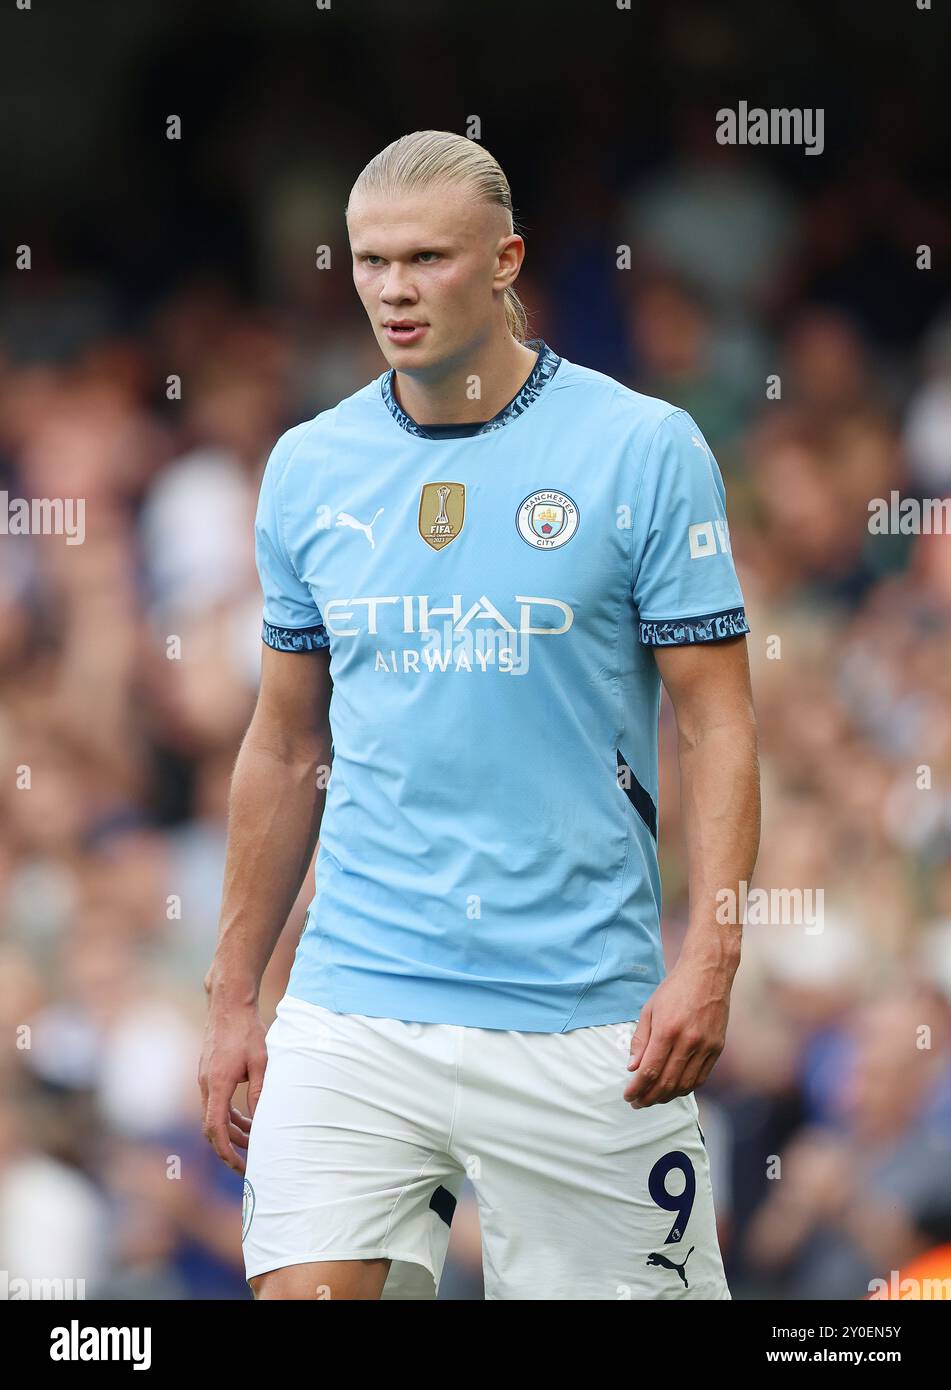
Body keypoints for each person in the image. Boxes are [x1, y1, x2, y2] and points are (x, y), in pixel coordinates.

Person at [199, 129, 760, 1301]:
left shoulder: (641, 449)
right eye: (369, 262)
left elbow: (715, 722)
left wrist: (708, 953)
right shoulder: (311, 467)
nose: (393, 291)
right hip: (355, 1002)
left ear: (504, 260)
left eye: (426, 259)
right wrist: (234, 994)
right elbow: (288, 740)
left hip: (577, 1014)